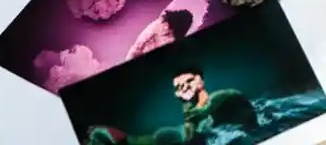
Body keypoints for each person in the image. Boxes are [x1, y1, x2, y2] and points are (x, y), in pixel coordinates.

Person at [82, 65, 258, 145]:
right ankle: (124, 140)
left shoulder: (222, 96)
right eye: (178, 87)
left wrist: (205, 110)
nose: (184, 87)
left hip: (239, 129)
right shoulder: (188, 110)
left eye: (189, 80)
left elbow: (231, 96)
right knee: (163, 136)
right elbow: (191, 133)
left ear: (201, 81)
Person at [125, 8, 194, 60]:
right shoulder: (158, 24)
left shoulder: (175, 39)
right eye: (167, 24)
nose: (166, 28)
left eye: (171, 28)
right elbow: (139, 43)